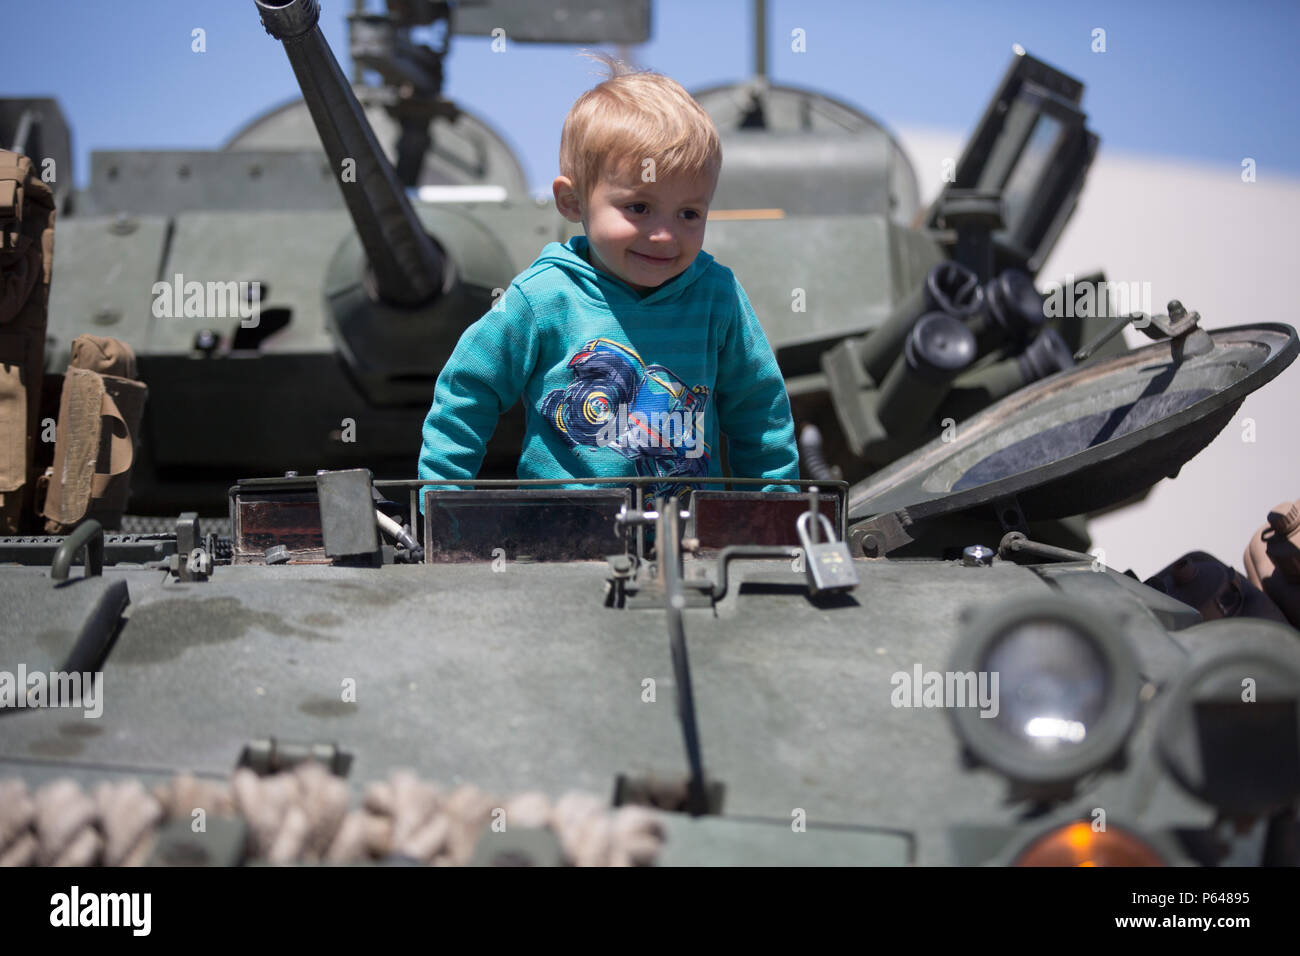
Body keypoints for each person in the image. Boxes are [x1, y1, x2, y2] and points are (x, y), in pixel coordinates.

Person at [417, 55, 799, 506]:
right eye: (638, 207)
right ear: (572, 201)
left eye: (689, 214)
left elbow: (761, 412)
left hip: (689, 543)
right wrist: (441, 503)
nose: (664, 235)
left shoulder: (717, 297)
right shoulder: (542, 297)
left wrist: (777, 511)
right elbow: (468, 389)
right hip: (558, 542)